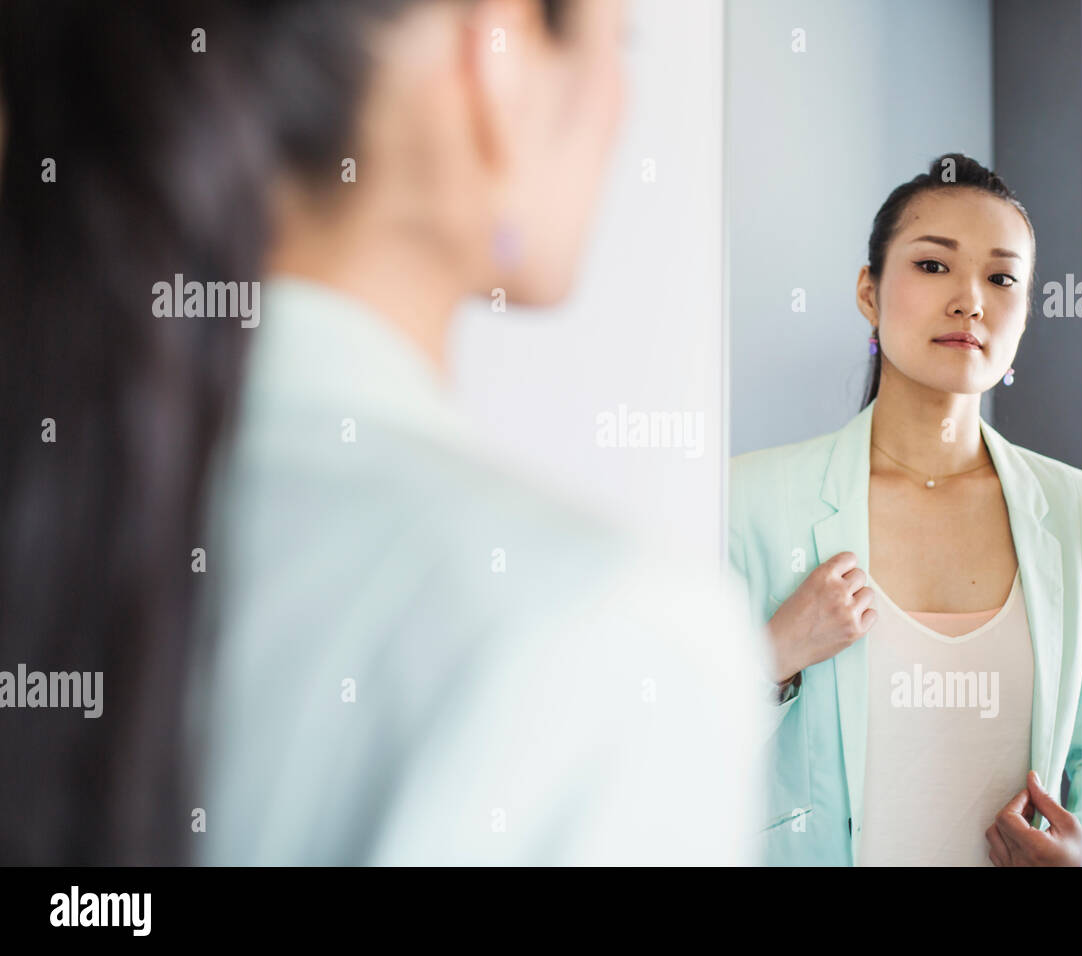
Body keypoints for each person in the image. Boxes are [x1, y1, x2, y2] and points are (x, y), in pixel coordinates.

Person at [0, 0, 765, 865]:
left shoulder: (56, 484)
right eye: (616, 42)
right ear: (497, 60)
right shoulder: (614, 644)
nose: (621, 99)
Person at [728, 154, 1082, 866]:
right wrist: (773, 658)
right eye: (933, 266)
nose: (970, 300)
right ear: (869, 291)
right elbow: (656, 752)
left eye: (1002, 277)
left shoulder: (1081, 516)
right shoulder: (747, 503)